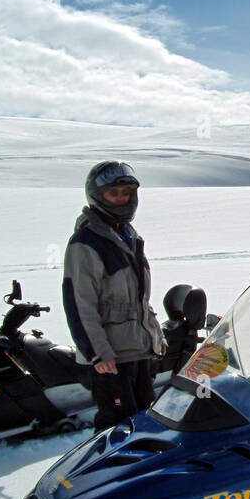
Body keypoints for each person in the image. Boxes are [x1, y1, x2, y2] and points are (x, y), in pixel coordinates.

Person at [63, 160, 166, 432]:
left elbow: (138, 298)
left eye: (126, 194)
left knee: (145, 420)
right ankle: (102, 474)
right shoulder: (86, 242)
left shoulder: (128, 236)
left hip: (136, 350)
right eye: (114, 193)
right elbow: (80, 304)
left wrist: (155, 333)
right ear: (97, 196)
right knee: (116, 427)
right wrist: (98, 354)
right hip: (111, 358)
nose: (121, 200)